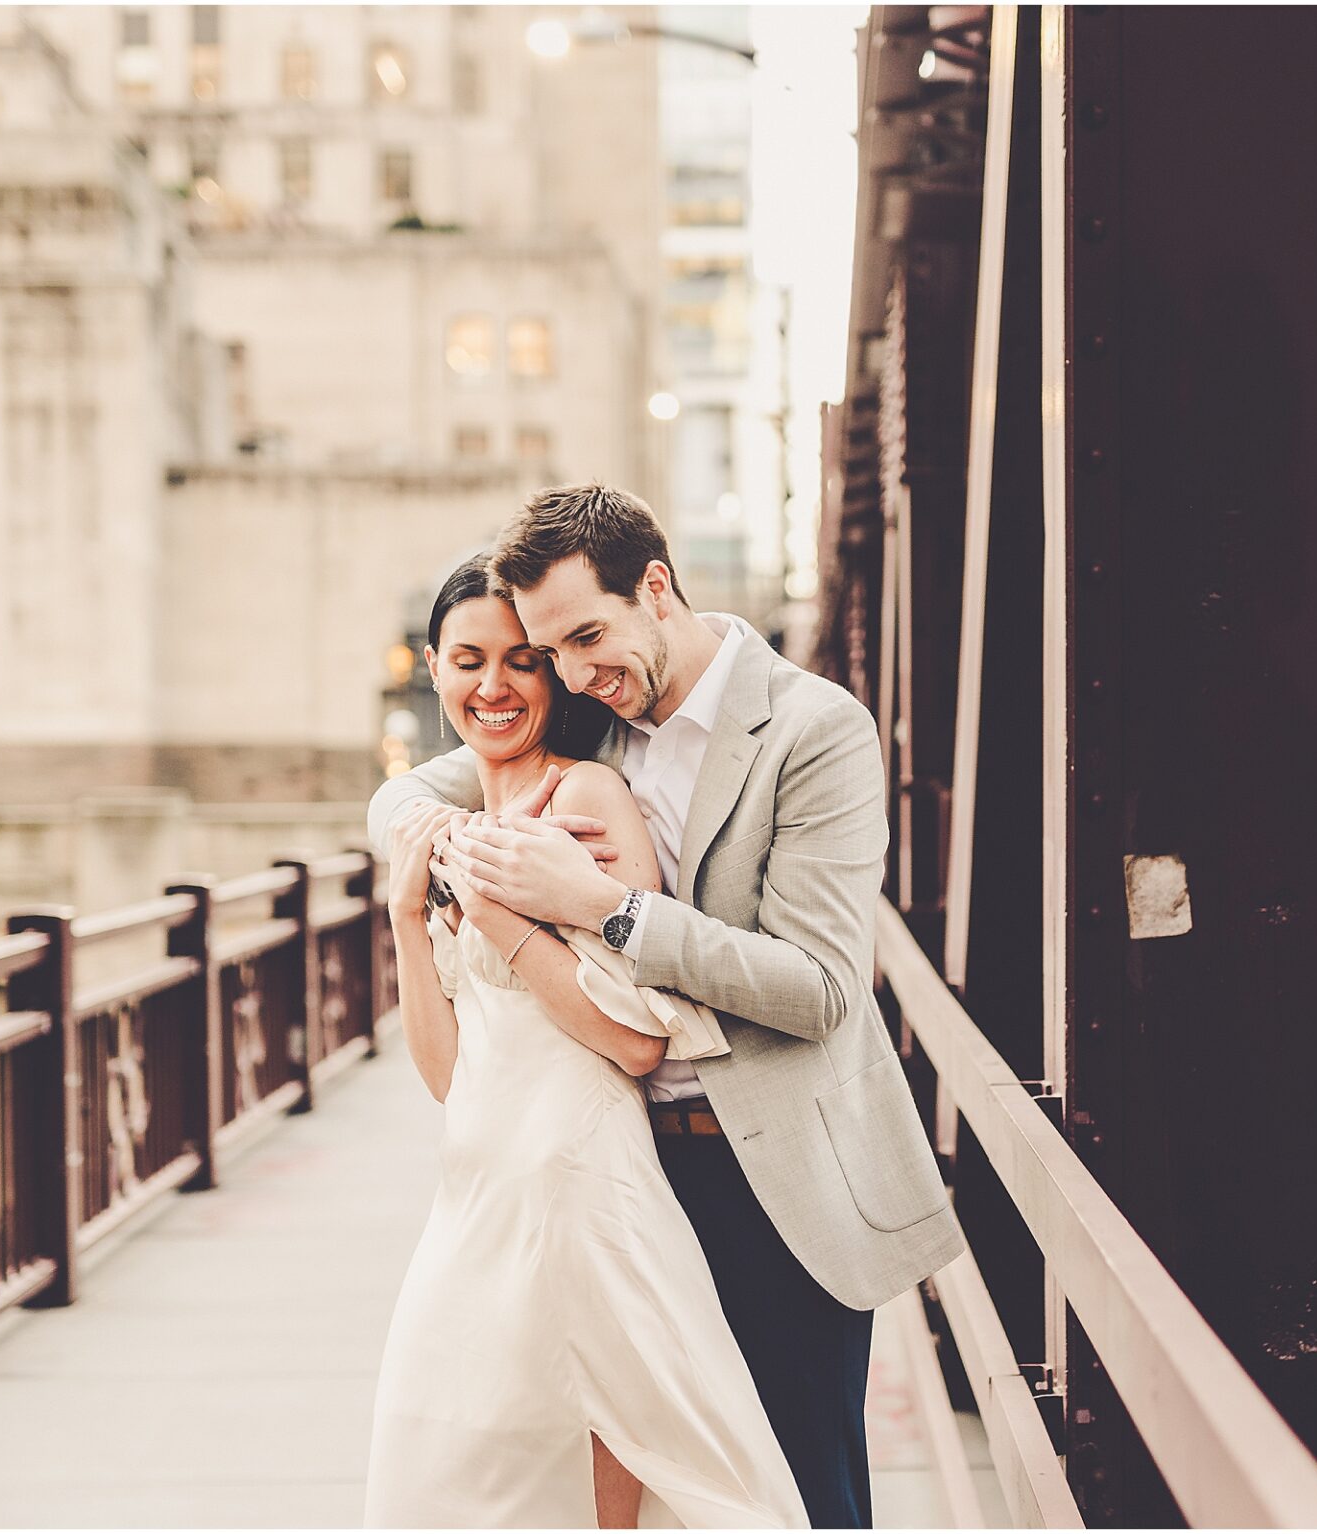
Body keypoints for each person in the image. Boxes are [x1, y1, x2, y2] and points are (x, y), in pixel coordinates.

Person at [369, 485, 967, 1530]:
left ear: (657, 587)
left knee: (791, 1491)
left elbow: (821, 989)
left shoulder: (816, 728)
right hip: (623, 1165)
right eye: (551, 650)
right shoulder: (596, 713)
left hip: (773, 1178)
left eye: (586, 637)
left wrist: (607, 908)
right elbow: (425, 779)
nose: (571, 671)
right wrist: (432, 842)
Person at [362, 553, 808, 1531]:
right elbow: (448, 1076)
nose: (495, 685)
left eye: (522, 660)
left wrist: (501, 919)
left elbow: (637, 1042)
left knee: (636, 1446)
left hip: (579, 1178)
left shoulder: (586, 800)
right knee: (447, 1465)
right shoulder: (453, 830)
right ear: (432, 666)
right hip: (475, 1190)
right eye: (469, 659)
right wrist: (407, 913)